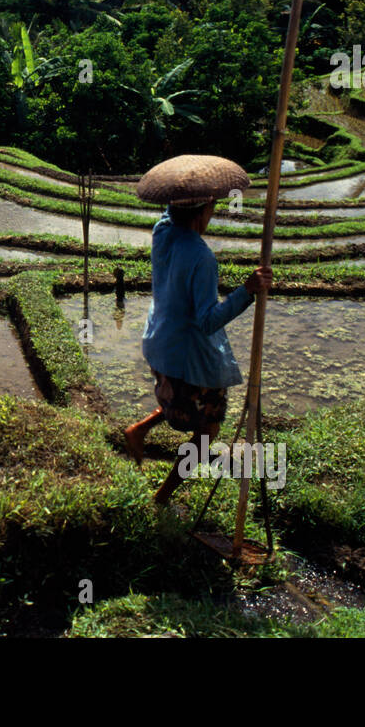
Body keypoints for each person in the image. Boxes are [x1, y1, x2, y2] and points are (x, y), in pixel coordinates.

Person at [123, 198, 272, 506]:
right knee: (208, 430)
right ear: (201, 212)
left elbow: (171, 211)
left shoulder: (162, 230)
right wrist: (247, 290)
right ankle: (162, 497)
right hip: (186, 356)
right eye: (212, 208)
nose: (213, 214)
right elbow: (207, 321)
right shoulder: (201, 257)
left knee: (177, 400)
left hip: (159, 342)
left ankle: (139, 430)